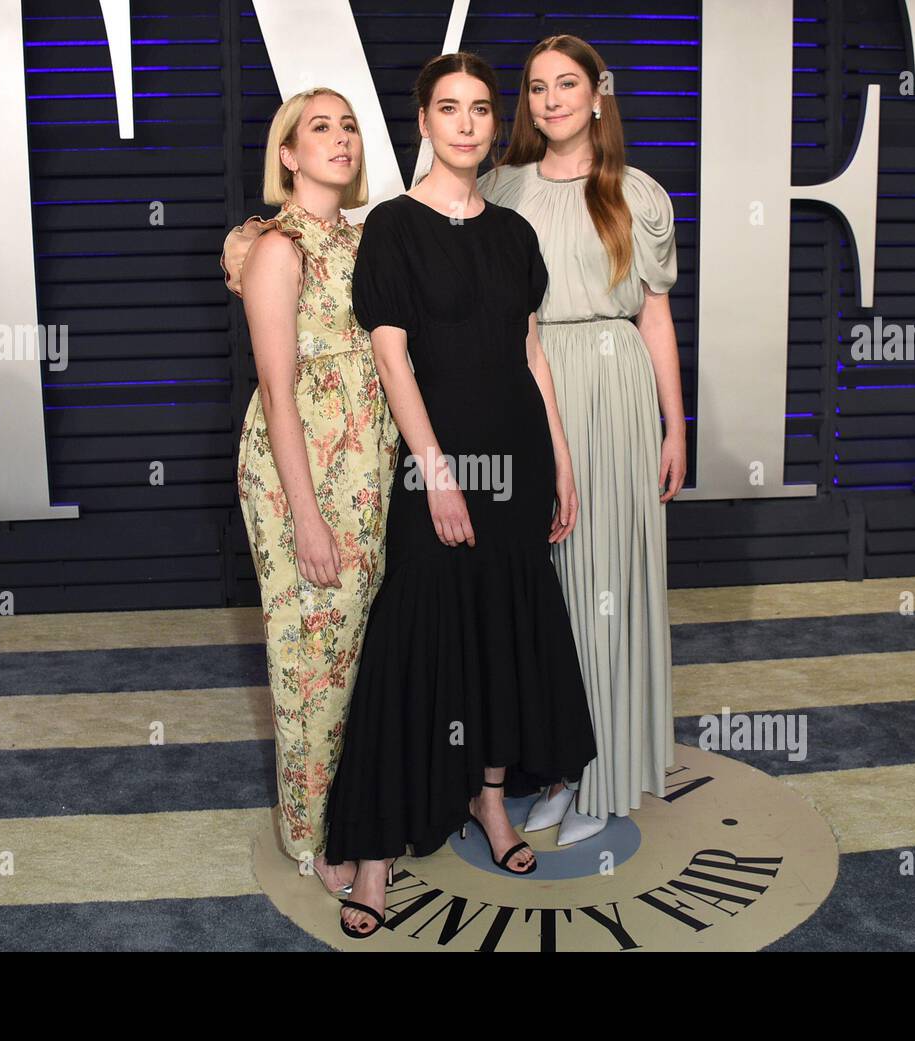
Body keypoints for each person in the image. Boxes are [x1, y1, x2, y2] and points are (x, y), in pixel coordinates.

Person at [323, 52, 598, 939]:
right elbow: (391, 357)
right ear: (424, 122)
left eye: (481, 108)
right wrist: (436, 470)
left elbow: (530, 353)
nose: (469, 124)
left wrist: (561, 459)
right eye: (450, 108)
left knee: (500, 632)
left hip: (520, 459)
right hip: (438, 464)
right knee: (414, 640)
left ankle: (490, 800)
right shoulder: (394, 226)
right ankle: (374, 853)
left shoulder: (513, 234)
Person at [477, 34, 685, 844]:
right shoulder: (501, 189)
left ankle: (602, 776)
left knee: (607, 580)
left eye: (567, 84)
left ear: (598, 94)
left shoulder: (637, 193)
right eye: (536, 88)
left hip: (612, 384)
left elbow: (655, 315)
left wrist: (675, 424)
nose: (551, 100)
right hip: (527, 386)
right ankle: (557, 764)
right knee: (547, 590)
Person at [222, 87, 399, 896]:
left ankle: (357, 809)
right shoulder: (276, 249)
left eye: (349, 125)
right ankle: (312, 834)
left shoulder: (366, 240)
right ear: (288, 155)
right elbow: (276, 387)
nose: (340, 138)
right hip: (302, 473)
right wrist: (306, 516)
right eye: (319, 127)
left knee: (356, 652)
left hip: (367, 469)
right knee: (310, 654)